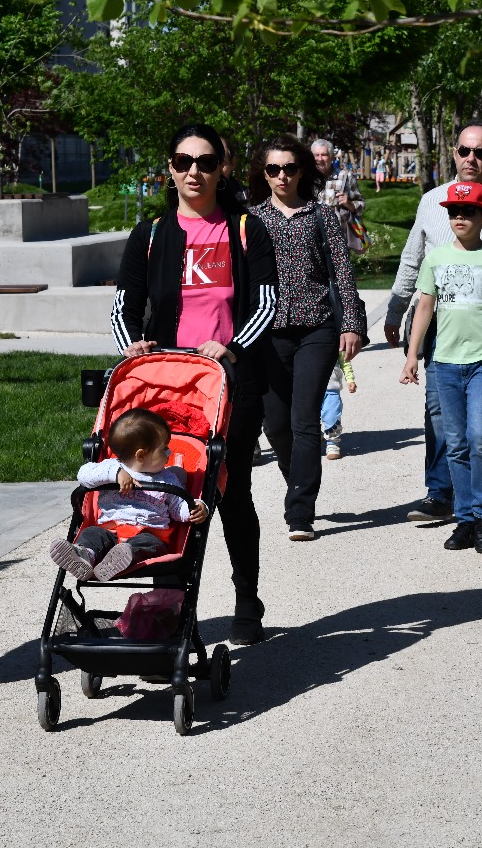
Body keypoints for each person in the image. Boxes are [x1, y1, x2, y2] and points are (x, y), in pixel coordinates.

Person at [111, 123, 278, 645]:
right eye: (184, 161)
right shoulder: (152, 234)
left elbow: (267, 303)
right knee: (162, 487)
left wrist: (229, 347)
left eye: (206, 162)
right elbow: (124, 305)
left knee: (233, 494)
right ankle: (167, 605)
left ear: (222, 167)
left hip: (232, 386)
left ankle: (247, 599)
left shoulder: (247, 229)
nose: (194, 172)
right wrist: (134, 347)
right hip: (169, 388)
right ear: (170, 168)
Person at [385, 119, 482, 523]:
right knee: (438, 412)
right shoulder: (434, 201)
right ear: (454, 153)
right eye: (464, 151)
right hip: (438, 325)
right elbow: (413, 256)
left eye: (481, 152)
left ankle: (479, 489)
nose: (471, 159)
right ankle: (440, 493)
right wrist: (396, 307)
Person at [399, 181, 482, 553]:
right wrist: (412, 356)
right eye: (454, 211)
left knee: (480, 438)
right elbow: (424, 307)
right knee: (455, 444)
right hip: (444, 364)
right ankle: (465, 520)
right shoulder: (437, 258)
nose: (460, 217)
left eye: (469, 211)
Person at [249, 136, 368, 541]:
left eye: (290, 168)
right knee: (276, 424)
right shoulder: (249, 220)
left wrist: (351, 323)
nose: (282, 176)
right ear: (263, 174)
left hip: (317, 328)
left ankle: (300, 511)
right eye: (273, 169)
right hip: (266, 334)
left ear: (302, 170)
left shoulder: (321, 216)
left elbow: (342, 274)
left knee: (303, 422)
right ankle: (296, 477)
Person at [50, 409, 207, 582]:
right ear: (141, 455)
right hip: (110, 530)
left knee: (145, 545)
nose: (169, 454)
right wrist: (116, 473)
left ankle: (120, 559)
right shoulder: (110, 467)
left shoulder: (167, 479)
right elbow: (84, 474)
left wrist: (195, 508)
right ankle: (84, 557)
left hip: (149, 534)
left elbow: (178, 507)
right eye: (164, 449)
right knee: (92, 534)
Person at [321, 351, 357, 459]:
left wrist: (350, 379)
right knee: (306, 416)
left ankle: (333, 443)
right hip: (307, 388)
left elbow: (344, 360)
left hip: (331, 388)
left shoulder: (335, 338)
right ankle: (313, 435)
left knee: (332, 415)